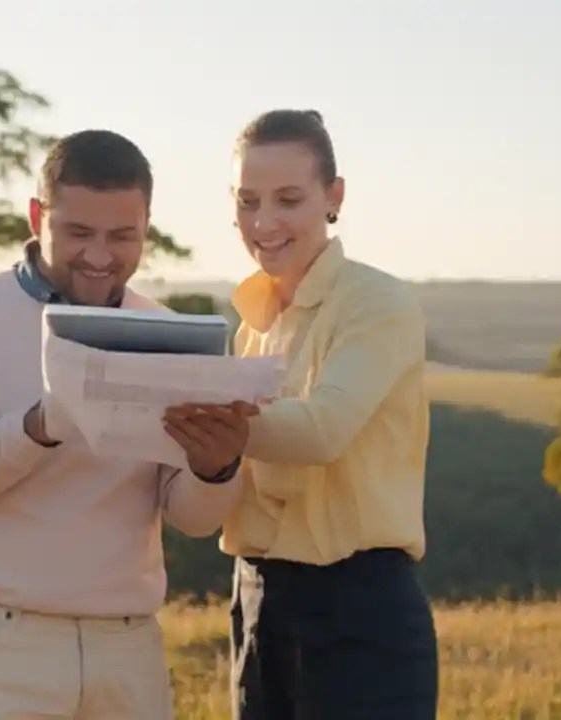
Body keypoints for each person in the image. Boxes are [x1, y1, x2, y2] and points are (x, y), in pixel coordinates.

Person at [0, 129, 252, 720]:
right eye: (79, 233)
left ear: (148, 224)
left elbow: (190, 517)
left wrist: (217, 468)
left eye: (123, 236)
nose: (101, 256)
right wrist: (38, 427)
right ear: (37, 216)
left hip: (126, 646)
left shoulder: (163, 332)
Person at [164, 109, 438, 718]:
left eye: (288, 199)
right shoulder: (250, 326)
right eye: (248, 201)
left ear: (333, 196)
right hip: (257, 598)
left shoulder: (378, 301)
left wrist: (214, 421)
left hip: (360, 607)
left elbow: (322, 430)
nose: (264, 222)